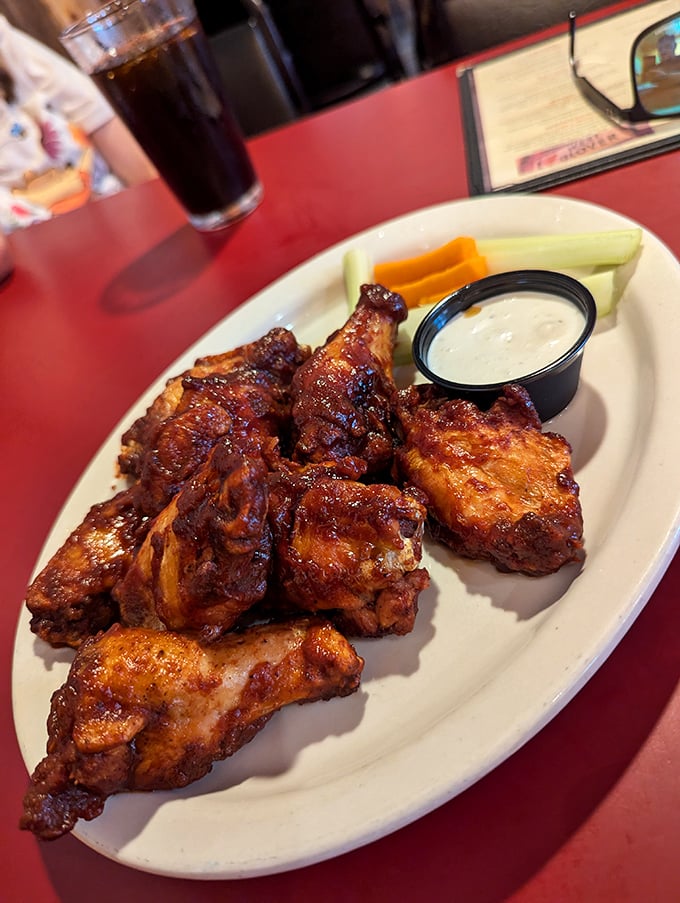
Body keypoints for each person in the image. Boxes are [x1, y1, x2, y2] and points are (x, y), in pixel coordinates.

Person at [0, 15, 156, 231]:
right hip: (36, 248)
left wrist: (156, 201)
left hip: (117, 210)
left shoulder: (6, 42)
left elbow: (97, 117)